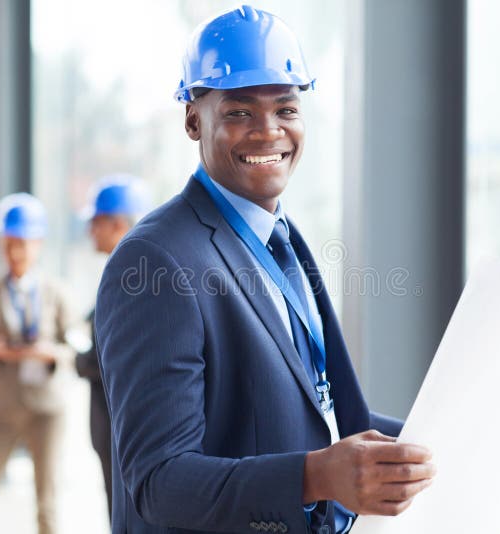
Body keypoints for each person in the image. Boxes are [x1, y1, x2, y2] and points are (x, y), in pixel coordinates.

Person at [95, 6, 436, 534]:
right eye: (238, 113)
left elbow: (321, 410)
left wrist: (444, 436)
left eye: (286, 109)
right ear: (193, 120)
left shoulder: (283, 237)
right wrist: (315, 475)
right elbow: (160, 483)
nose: (268, 131)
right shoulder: (154, 261)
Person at [0, 193, 73, 534]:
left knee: (47, 501)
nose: (15, 253)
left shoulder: (56, 292)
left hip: (46, 409)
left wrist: (50, 354)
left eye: (23, 244)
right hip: (0, 406)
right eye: (8, 244)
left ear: (38, 244)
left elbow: (75, 347)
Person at [76, 175, 150, 519]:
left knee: (123, 512)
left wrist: (77, 358)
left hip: (119, 423)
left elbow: (106, 358)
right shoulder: (136, 271)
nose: (91, 231)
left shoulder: (128, 273)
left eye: (96, 223)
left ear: (118, 223)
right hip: (120, 421)